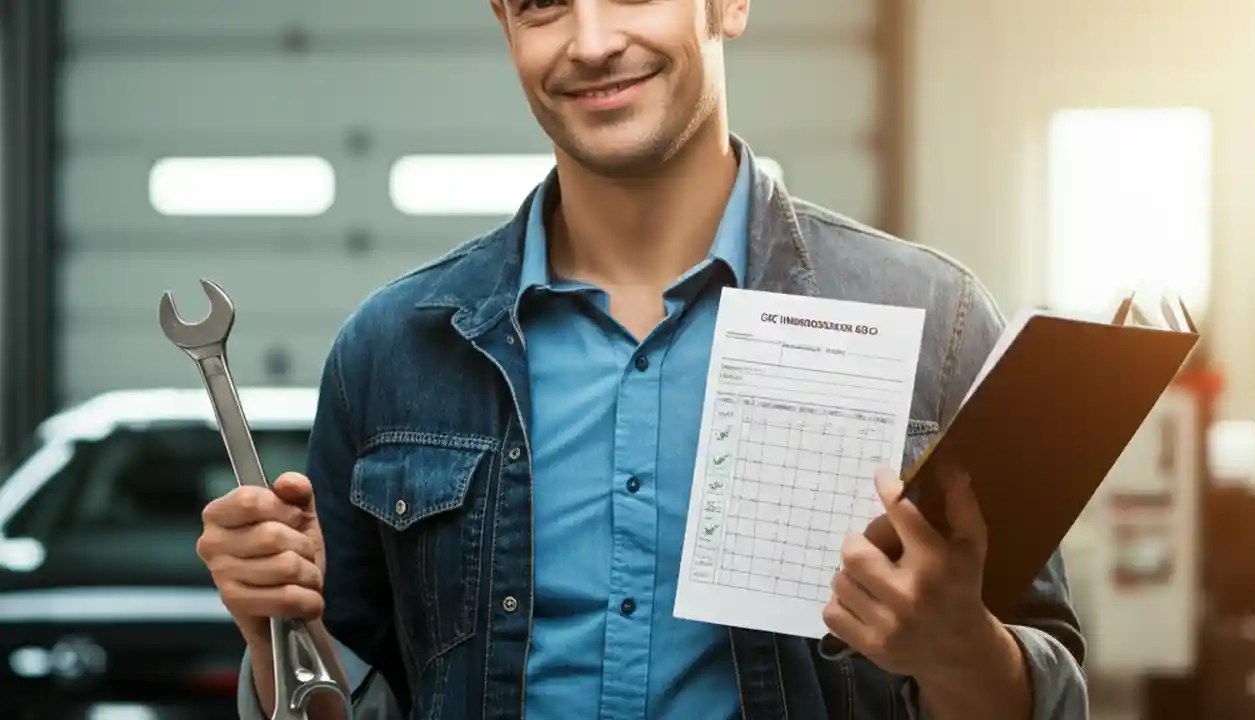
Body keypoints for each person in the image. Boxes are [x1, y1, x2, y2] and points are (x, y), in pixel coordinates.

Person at [197, 1, 1087, 718]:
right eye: (544, 6)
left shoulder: (937, 320)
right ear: (504, 24)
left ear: (728, 5)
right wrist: (271, 632)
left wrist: (955, 647)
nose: (591, 41)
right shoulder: (390, 351)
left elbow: (1045, 692)